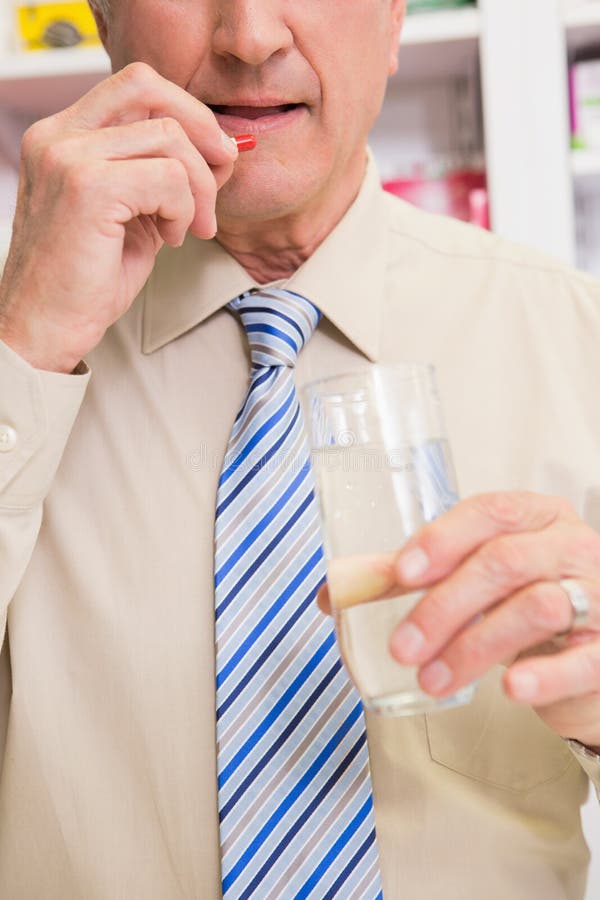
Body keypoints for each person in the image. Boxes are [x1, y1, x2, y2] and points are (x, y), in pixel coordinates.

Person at [0, 0, 598, 897]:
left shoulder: (578, 338)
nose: (251, 37)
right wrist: (24, 346)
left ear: (395, 18)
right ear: (105, 19)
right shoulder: (19, 342)